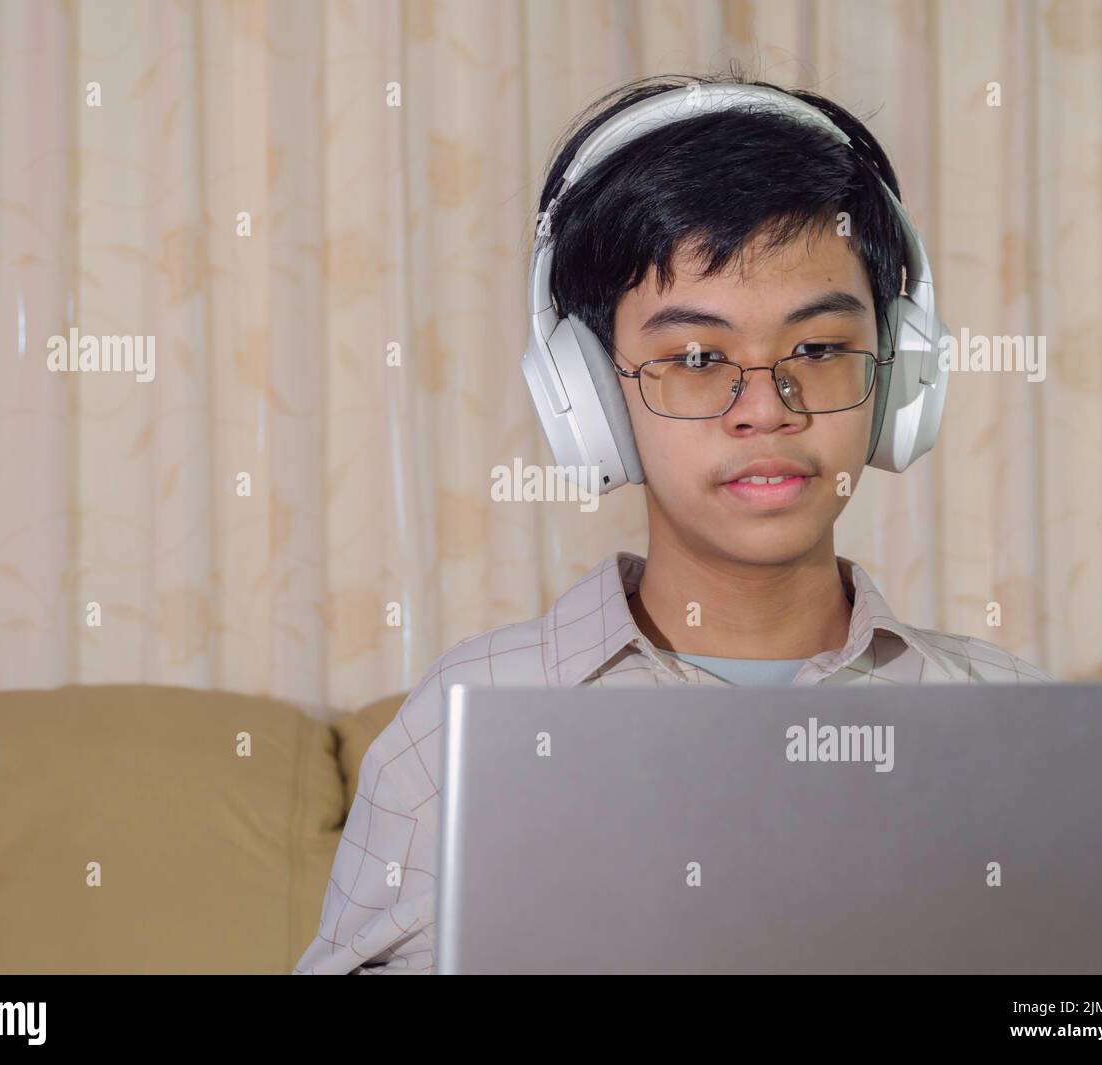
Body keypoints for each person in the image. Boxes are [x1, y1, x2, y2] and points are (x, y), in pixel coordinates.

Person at [294, 69, 1051, 975]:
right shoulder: (464, 721)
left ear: (898, 375)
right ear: (588, 399)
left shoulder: (1017, 718)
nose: (766, 408)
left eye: (816, 348)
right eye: (695, 356)